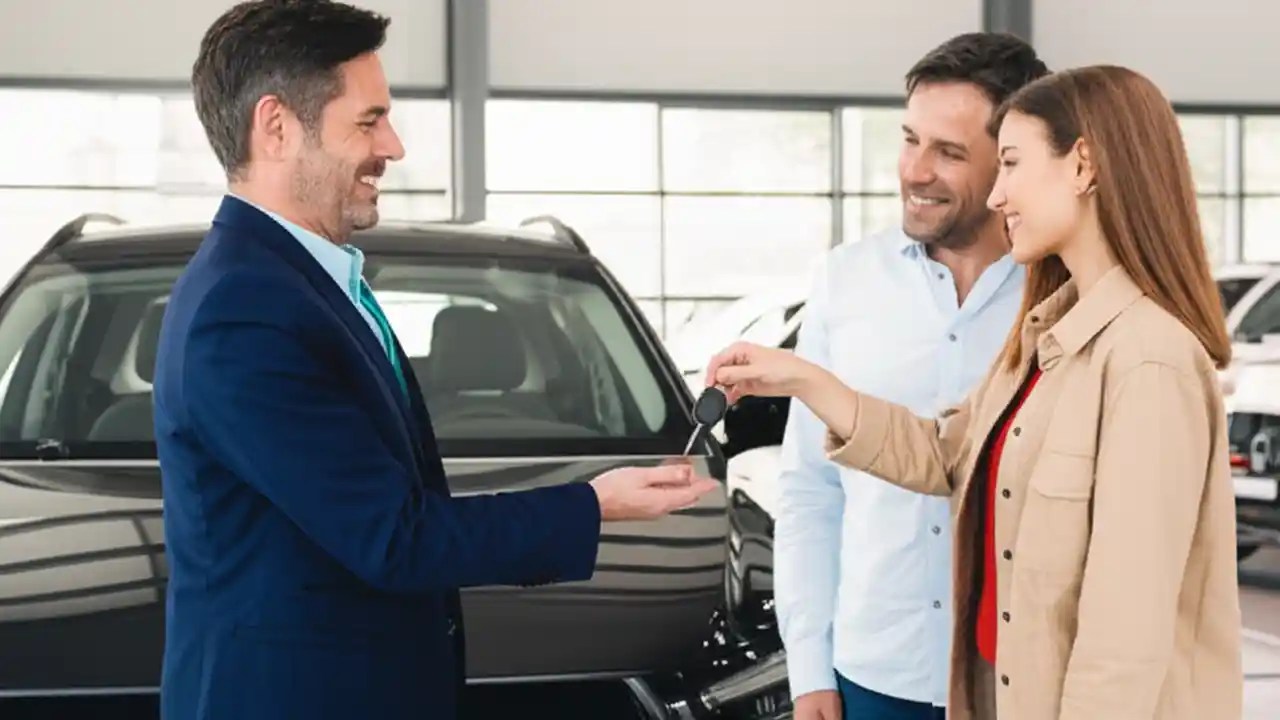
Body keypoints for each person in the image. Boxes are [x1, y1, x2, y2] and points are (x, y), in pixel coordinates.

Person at [152, 3, 717, 719]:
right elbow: (394, 537)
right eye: (369, 121)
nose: (392, 146)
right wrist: (596, 503)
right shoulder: (244, 311)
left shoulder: (297, 283)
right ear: (277, 127)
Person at [708, 64, 1243, 720]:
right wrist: (806, 380)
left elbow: (1123, 643)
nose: (997, 195)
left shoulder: (1147, 362)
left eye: (1010, 163)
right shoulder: (1049, 334)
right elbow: (949, 455)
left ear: (1083, 166)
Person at [771, 33, 1047, 720]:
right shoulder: (845, 280)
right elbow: (809, 491)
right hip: (871, 676)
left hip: (1020, 682)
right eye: (909, 140)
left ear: (1010, 162)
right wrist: (809, 671)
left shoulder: (1061, 297)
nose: (915, 172)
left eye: (948, 152)